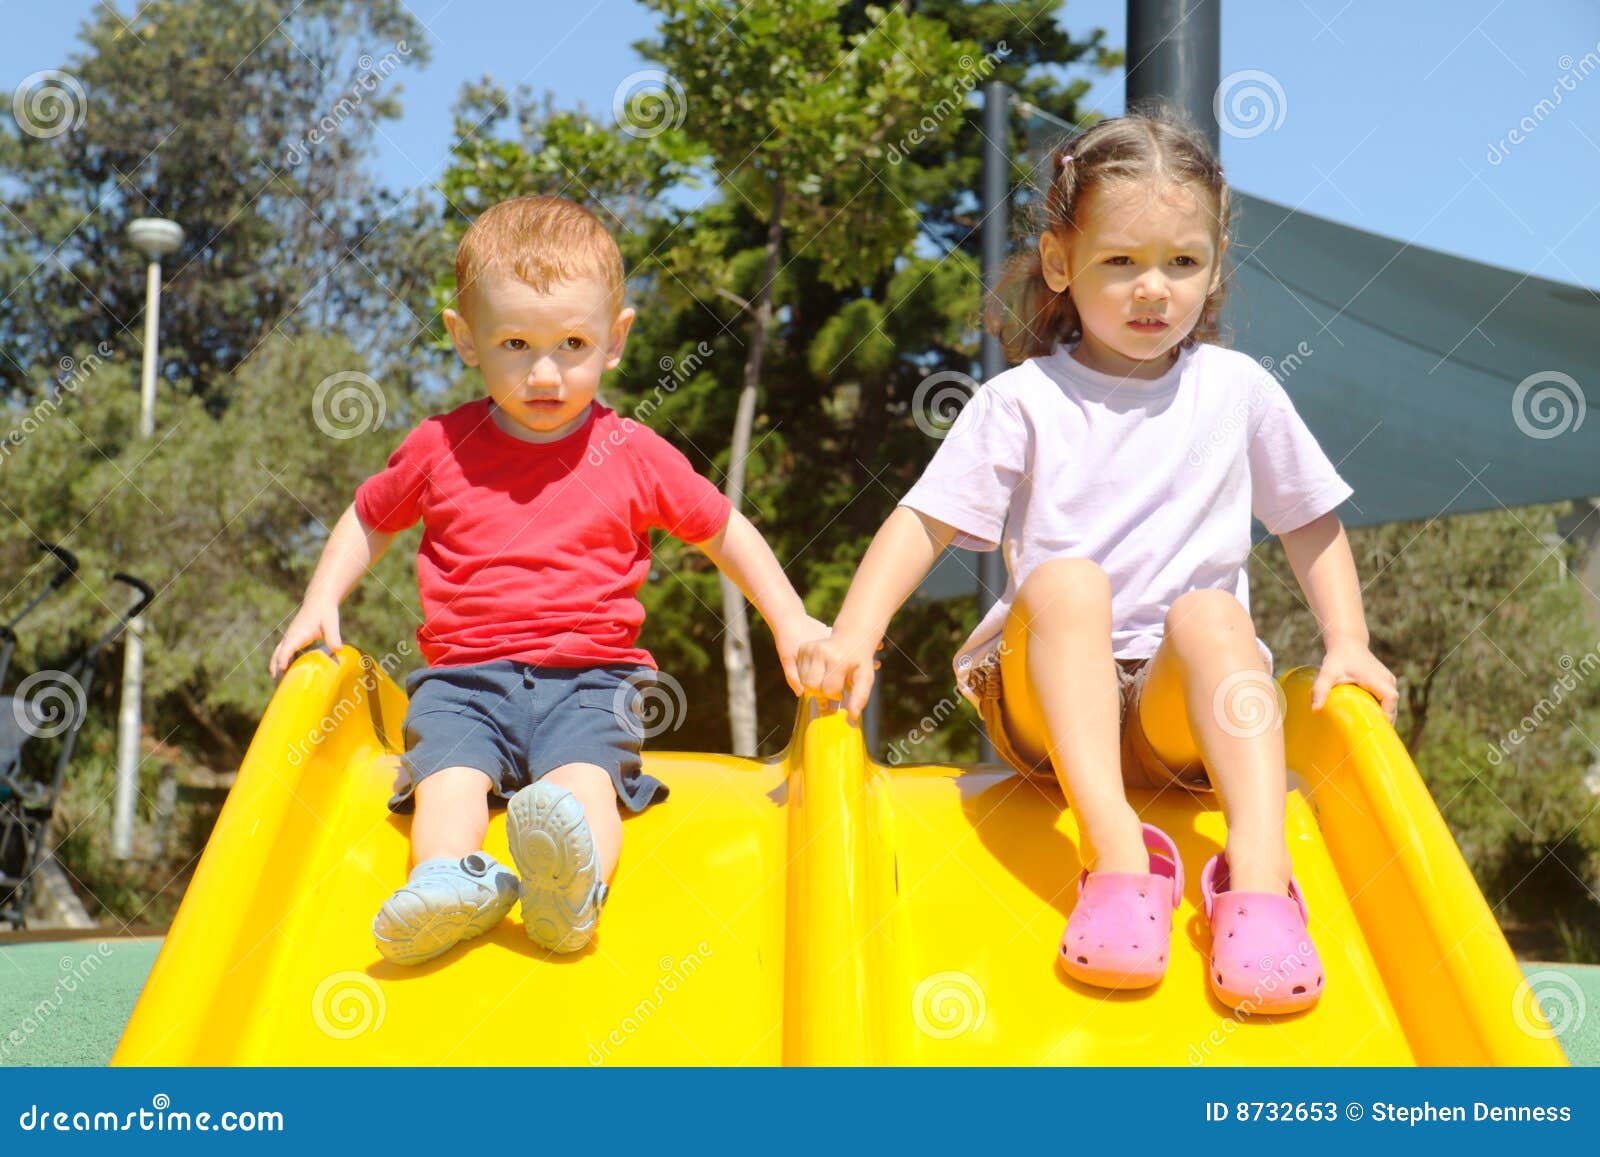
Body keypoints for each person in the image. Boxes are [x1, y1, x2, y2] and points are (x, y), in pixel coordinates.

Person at [797, 111, 1397, 1014]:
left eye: (1182, 262)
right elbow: (923, 521)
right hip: (1046, 701)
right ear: (1059, 264)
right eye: (1120, 261)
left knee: (1215, 615)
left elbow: (1309, 520)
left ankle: (1262, 881)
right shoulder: (1023, 400)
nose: (1153, 289)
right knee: (1068, 583)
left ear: (1215, 267)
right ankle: (1117, 852)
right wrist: (854, 633)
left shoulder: (1239, 392)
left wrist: (1347, 640)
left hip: (1179, 714)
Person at [270, 194, 825, 965]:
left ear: (615, 338)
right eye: (514, 343)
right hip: (461, 680)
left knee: (583, 783)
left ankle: (573, 891)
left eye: (571, 343)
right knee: (449, 781)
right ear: (464, 338)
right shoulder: (440, 446)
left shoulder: (632, 451)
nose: (543, 371)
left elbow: (723, 528)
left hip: (592, 678)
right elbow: (370, 516)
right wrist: (320, 598)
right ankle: (446, 881)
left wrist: (790, 620)